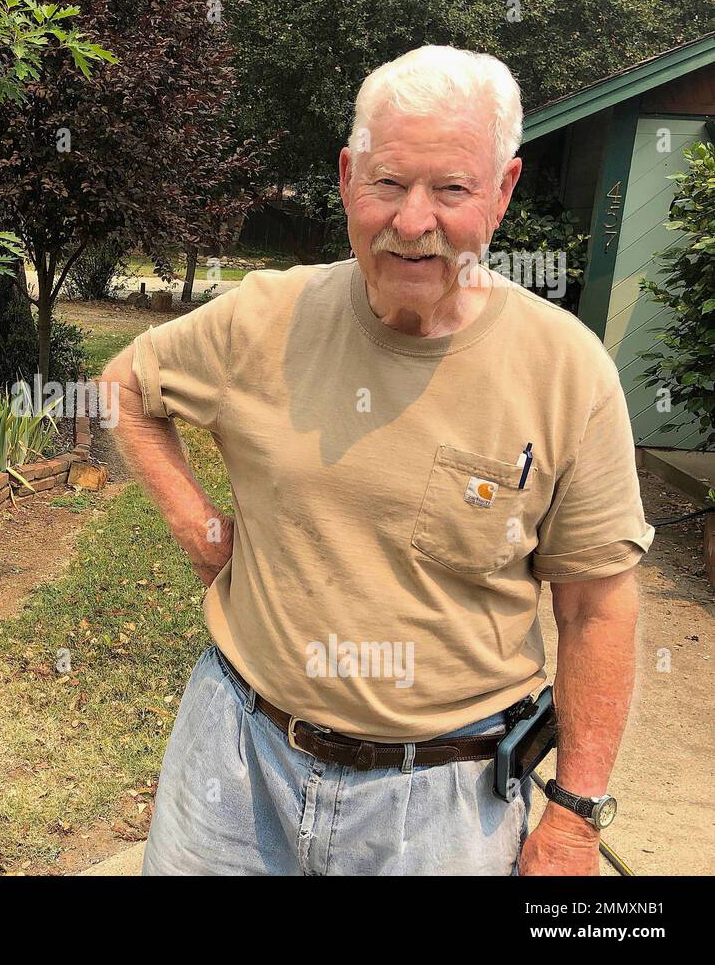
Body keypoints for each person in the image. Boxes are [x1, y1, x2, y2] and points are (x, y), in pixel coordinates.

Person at [101, 45, 654, 875]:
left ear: (503, 191)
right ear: (347, 175)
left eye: (452, 189)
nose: (411, 220)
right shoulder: (266, 315)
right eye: (388, 183)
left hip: (442, 800)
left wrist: (573, 817)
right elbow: (123, 387)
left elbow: (597, 608)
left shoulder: (567, 372)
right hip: (235, 754)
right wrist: (201, 525)